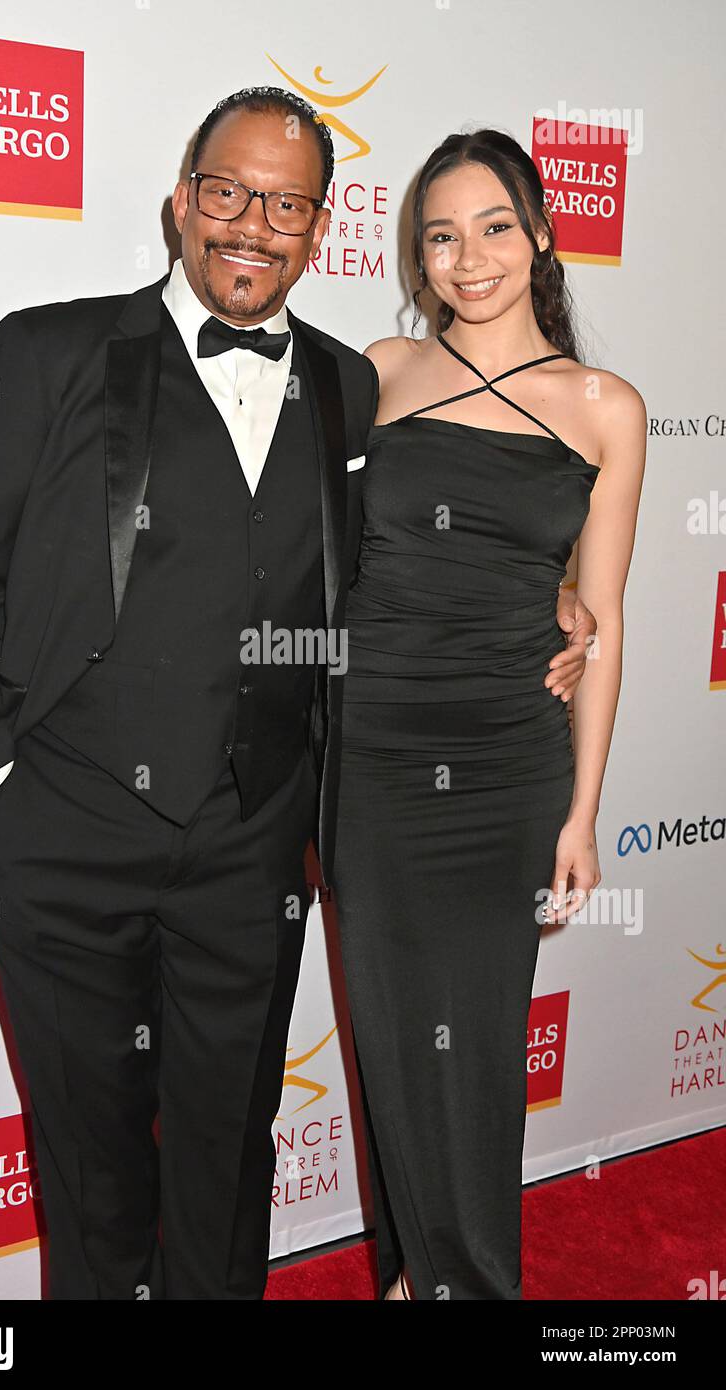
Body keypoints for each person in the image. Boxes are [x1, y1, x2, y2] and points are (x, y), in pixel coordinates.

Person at [0, 90, 593, 1300]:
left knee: (232, 1147)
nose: (252, 224)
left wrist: (550, 596)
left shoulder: (350, 383)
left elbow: (442, 531)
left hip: (252, 836)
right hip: (60, 826)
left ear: (320, 228)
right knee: (90, 1153)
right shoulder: (49, 349)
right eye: (228, 192)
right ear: (184, 200)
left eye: (286, 204)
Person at [331, 129, 645, 1301]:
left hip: (508, 764)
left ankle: (465, 1284)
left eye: (496, 227)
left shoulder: (606, 406)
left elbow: (602, 619)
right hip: (370, 760)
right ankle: (424, 1279)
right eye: (442, 236)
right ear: (418, 254)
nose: (471, 260)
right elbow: (312, 556)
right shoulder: (382, 371)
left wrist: (583, 807)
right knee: (402, 1047)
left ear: (544, 234)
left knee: (480, 1052)